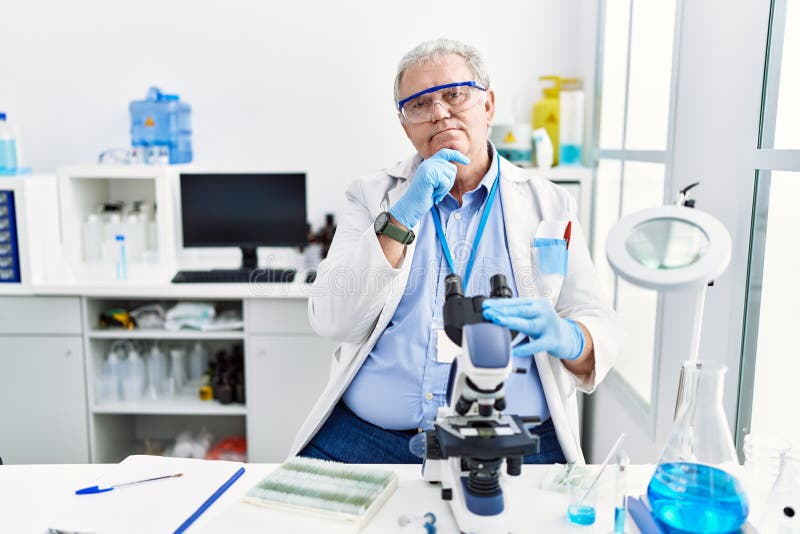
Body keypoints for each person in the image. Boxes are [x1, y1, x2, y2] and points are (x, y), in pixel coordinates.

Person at [290, 38, 619, 464]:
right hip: (370, 439)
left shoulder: (550, 204)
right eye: (419, 104)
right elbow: (333, 318)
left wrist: (570, 337)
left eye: (454, 95)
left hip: (512, 440)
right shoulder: (371, 197)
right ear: (406, 126)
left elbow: (596, 323)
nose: (439, 113)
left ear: (488, 105)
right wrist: (400, 217)